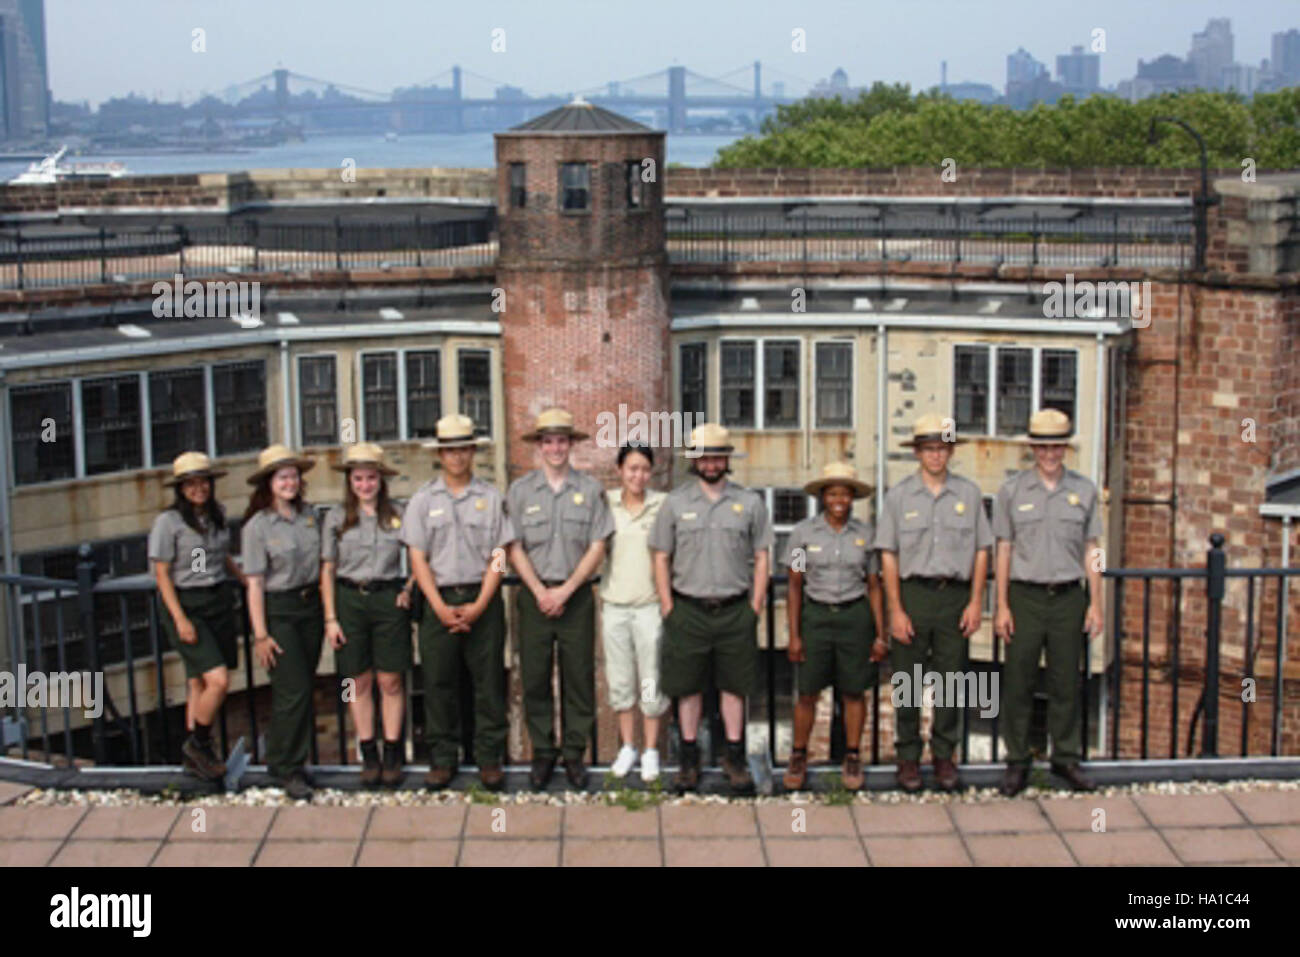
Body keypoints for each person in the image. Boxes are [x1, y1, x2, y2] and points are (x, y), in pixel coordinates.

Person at [649, 423, 772, 795]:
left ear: (726, 460)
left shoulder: (749, 503)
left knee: (734, 688)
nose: (711, 462)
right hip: (688, 609)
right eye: (704, 456)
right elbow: (660, 556)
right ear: (695, 461)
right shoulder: (675, 503)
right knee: (687, 689)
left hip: (735, 610)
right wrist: (668, 606)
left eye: (717, 456)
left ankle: (734, 758)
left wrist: (755, 605)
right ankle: (689, 759)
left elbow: (763, 556)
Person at [875, 413, 992, 793]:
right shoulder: (899, 496)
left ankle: (944, 755)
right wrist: (896, 609)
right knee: (908, 682)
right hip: (914, 594)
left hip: (954, 596)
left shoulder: (969, 494)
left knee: (951, 681)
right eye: (929, 449)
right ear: (918, 453)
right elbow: (888, 554)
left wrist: (976, 602)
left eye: (942, 449)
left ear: (951, 452)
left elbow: (981, 551)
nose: (936, 456)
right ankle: (908, 757)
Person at [993, 408, 1104, 797]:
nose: (1050, 453)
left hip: (1068, 596)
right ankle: (1017, 761)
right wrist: (1002, 605)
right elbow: (1003, 550)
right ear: (1033, 449)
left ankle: (1066, 758)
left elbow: (1093, 550)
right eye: (1042, 446)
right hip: (1025, 595)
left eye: (1056, 445)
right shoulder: (1012, 491)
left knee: (1065, 683)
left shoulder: (1085, 490)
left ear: (1065, 448)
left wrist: (1096, 602)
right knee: (1019, 681)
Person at [402, 414, 514, 791]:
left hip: (483, 598)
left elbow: (500, 553)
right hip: (439, 601)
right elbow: (417, 557)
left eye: (463, 449)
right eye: (449, 450)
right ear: (441, 455)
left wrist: (482, 602)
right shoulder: (422, 500)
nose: (457, 456)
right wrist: (436, 605)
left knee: (487, 684)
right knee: (438, 683)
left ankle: (488, 758)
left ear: (472, 452)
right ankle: (443, 758)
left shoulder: (490, 497)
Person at [506, 408, 614, 791]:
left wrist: (566, 590)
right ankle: (543, 753)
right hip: (533, 597)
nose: (555, 447)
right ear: (539, 446)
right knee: (534, 677)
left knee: (578, 678)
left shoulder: (589, 490)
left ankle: (573, 754)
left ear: (571, 445)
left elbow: (598, 545)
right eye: (548, 441)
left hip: (577, 596)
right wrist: (539, 591)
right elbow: (513, 546)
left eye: (561, 440)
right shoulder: (519, 492)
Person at [783, 462, 886, 792]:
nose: (839, 499)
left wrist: (880, 634)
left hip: (854, 616)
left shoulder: (865, 535)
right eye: (832, 493)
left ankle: (853, 755)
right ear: (823, 497)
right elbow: (795, 585)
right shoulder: (803, 534)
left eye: (845, 493)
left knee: (854, 691)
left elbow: (873, 585)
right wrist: (795, 635)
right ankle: (798, 755)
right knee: (808, 692)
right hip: (816, 617)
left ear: (853, 497)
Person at [149, 452, 246, 782]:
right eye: (190, 484)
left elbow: (222, 555)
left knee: (198, 682)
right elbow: (161, 574)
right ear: (181, 488)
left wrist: (244, 579)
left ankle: (198, 763)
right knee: (218, 680)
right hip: (187, 604)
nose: (198, 488)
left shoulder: (216, 514)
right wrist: (180, 619)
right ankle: (198, 743)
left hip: (217, 598)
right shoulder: (169, 523)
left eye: (203, 482)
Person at [321, 443, 413, 788]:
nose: (365, 485)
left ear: (380, 480)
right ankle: (367, 751)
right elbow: (327, 569)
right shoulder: (335, 518)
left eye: (370, 477)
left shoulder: (398, 514)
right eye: (358, 479)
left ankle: (392, 750)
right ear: (349, 482)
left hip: (387, 598)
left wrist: (410, 588)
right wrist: (330, 617)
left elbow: (420, 554)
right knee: (354, 681)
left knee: (390, 680)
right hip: (349, 598)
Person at [241, 444, 323, 801]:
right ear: (268, 484)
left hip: (311, 608)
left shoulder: (310, 516)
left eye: (293, 476)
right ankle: (286, 766)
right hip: (280, 610)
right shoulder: (258, 527)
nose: (289, 482)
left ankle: (292, 759)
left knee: (305, 685)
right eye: (282, 477)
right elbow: (255, 583)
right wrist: (260, 634)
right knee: (293, 689)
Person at [600, 443, 668, 782]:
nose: (638, 475)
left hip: (650, 606)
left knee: (652, 679)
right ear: (619, 470)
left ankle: (650, 750)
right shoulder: (606, 504)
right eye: (632, 469)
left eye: (644, 469)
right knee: (621, 679)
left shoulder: (662, 505)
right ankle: (628, 746)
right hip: (614, 605)